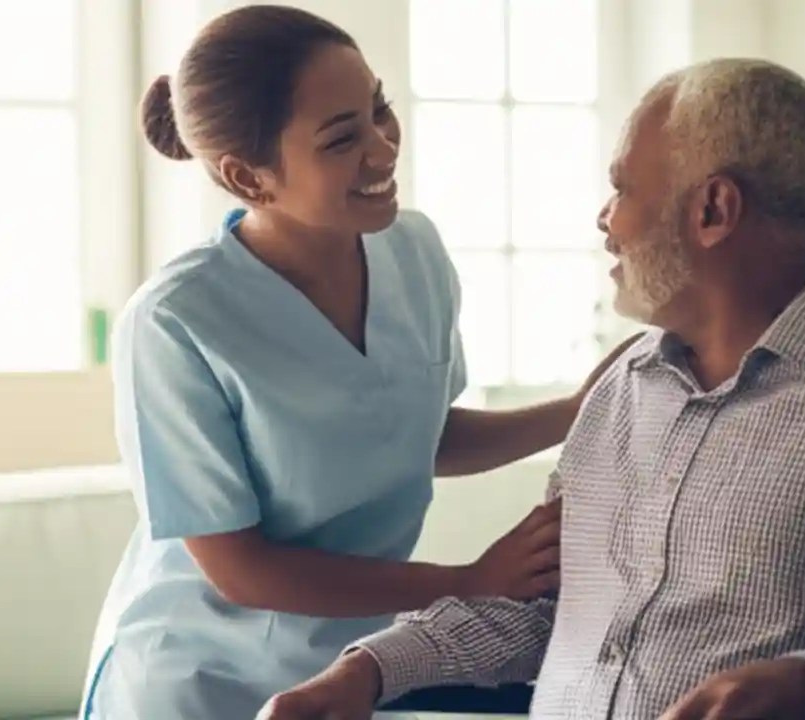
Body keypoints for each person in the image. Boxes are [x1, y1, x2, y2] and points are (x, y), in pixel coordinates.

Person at [260, 57, 805, 720]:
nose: (606, 219)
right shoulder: (621, 390)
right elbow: (546, 611)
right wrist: (367, 669)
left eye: (622, 189)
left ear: (713, 210)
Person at [79, 5, 636, 719]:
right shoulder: (175, 321)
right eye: (343, 138)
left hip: (346, 673)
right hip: (196, 680)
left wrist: (576, 409)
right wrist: (469, 580)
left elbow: (412, 435)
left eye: (380, 110)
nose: (383, 148)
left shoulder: (415, 253)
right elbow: (241, 570)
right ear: (249, 178)